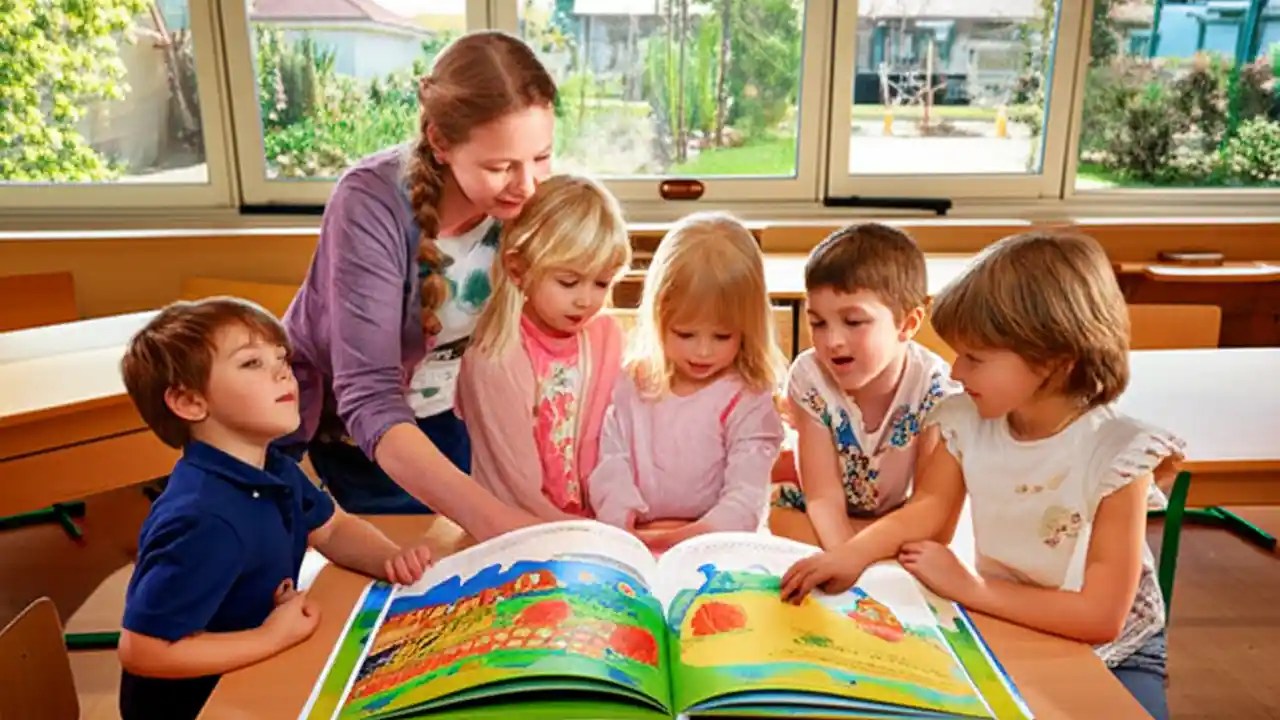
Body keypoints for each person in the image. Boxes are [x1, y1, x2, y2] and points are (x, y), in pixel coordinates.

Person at [779, 232, 1183, 720]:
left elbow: (1099, 616)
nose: (954, 370)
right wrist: (849, 555)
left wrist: (969, 587)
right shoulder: (966, 419)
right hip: (1003, 621)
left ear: (1053, 362)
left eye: (975, 357)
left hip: (1115, 652)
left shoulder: (1118, 454)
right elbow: (930, 510)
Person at [280, 30, 557, 537]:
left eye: (542, 157)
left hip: (449, 415)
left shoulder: (529, 200)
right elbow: (369, 395)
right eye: (500, 166)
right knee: (403, 557)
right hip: (357, 435)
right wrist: (496, 521)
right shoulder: (370, 203)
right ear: (441, 142)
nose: (528, 185)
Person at [115, 298, 432, 720]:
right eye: (252, 363)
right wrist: (271, 637)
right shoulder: (201, 518)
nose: (284, 372)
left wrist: (389, 558)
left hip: (256, 669)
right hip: (202, 705)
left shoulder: (272, 467)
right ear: (190, 402)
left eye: (281, 358)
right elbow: (143, 650)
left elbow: (332, 529)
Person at [588, 213, 787, 551]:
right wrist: (621, 517)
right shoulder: (632, 381)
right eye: (685, 334)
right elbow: (610, 460)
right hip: (636, 539)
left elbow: (747, 496)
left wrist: (690, 535)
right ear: (658, 317)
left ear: (747, 329)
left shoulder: (748, 397)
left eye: (722, 336)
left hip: (716, 544)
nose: (703, 351)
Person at [453, 173, 631, 521]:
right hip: (519, 525)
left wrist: (615, 516)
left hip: (594, 523)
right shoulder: (494, 359)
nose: (585, 300)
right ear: (518, 269)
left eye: (601, 283)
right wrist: (576, 530)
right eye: (568, 282)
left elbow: (615, 444)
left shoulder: (605, 338)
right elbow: (512, 488)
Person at [772, 223, 960, 550]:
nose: (832, 340)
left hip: (900, 518)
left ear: (908, 323)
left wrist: (858, 552)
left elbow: (932, 514)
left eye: (853, 322)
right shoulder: (809, 377)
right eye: (818, 323)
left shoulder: (935, 387)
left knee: (929, 541)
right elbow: (823, 498)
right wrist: (849, 557)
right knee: (775, 516)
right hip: (825, 514)